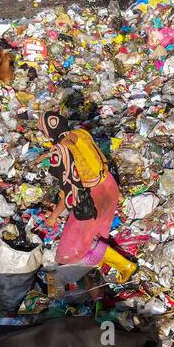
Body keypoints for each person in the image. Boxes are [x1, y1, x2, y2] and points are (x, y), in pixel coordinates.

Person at [40, 110, 135, 284]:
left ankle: (124, 265)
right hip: (109, 186)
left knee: (72, 246)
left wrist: (54, 216)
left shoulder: (60, 152)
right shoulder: (79, 133)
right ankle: (105, 267)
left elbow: (70, 191)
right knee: (94, 234)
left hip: (92, 198)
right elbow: (99, 158)